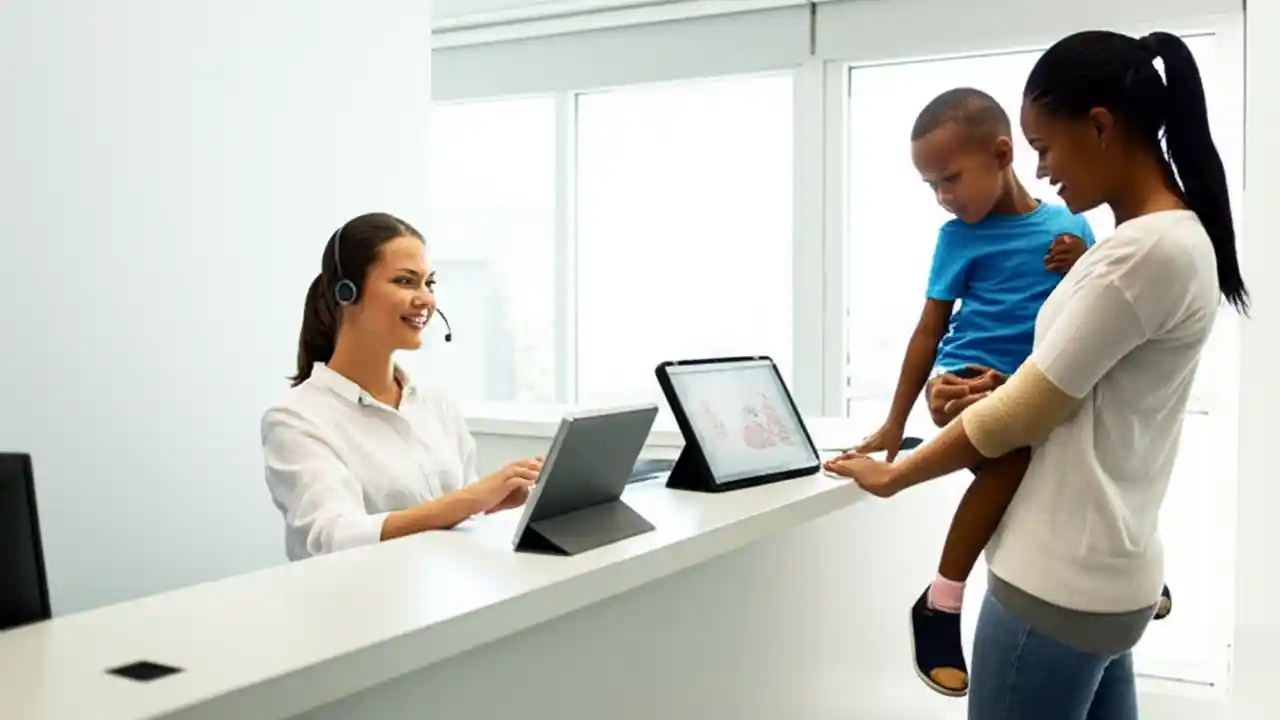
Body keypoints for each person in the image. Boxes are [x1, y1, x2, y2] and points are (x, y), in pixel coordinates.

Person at [827, 30, 1247, 719]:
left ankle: (939, 597)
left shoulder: (1134, 256)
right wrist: (991, 388)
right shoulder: (1167, 241)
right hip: (1112, 580)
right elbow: (1079, 391)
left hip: (1056, 588)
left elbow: (1026, 417)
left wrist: (897, 472)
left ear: (1101, 126)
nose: (1043, 168)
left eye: (1046, 146)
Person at [849, 87, 1097, 697]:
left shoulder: (1070, 224)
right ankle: (942, 601)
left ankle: (1106, 562)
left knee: (1077, 445)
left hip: (1032, 386)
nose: (944, 197)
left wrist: (1084, 261)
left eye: (951, 178)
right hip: (961, 381)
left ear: (1003, 152)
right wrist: (893, 421)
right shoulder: (955, 239)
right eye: (931, 186)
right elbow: (929, 329)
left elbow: (1090, 310)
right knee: (1011, 459)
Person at [262, 212, 544, 561]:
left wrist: (495, 501)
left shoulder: (436, 403)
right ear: (347, 292)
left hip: (442, 597)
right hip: (353, 606)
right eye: (406, 281)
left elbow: (457, 518)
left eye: (430, 283)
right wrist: (473, 498)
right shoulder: (295, 418)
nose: (426, 299)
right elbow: (334, 535)